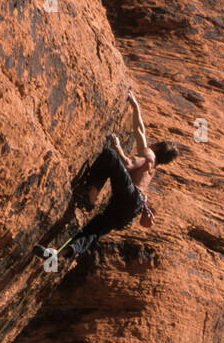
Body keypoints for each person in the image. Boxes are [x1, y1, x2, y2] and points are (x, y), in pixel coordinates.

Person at [35, 90, 178, 261]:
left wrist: (117, 146)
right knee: (95, 229)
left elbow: (127, 164)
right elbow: (139, 130)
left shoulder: (149, 154)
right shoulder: (152, 167)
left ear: (158, 147)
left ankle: (91, 195)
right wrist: (135, 106)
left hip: (130, 197)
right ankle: (58, 255)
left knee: (109, 156)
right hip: (129, 211)